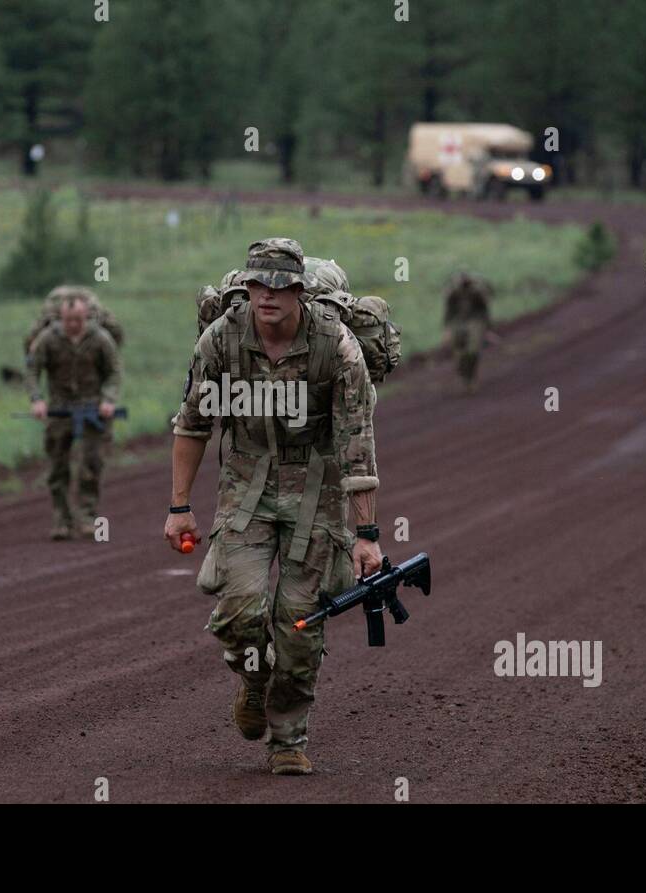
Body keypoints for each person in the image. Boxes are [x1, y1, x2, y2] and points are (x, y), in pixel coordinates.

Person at [165, 238, 382, 776]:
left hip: (318, 491)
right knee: (242, 609)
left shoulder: (336, 346)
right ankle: (255, 682)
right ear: (247, 287)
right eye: (258, 284)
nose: (268, 295)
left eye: (281, 285)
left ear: (301, 291)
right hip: (245, 491)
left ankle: (287, 739)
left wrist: (367, 533)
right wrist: (179, 506)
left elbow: (358, 441)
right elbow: (193, 424)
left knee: (300, 623)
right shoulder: (222, 340)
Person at [25, 290, 122, 539]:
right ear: (61, 317)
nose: (73, 324)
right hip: (60, 408)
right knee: (58, 466)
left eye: (78, 319)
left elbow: (113, 372)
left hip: (93, 408)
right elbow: (33, 370)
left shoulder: (100, 339)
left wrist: (109, 399)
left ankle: (88, 516)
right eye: (69, 319)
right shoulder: (48, 339)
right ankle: (62, 519)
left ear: (86, 316)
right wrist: (36, 400)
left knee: (91, 463)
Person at [443, 272, 494, 388]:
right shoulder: (453, 294)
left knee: (472, 351)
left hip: (474, 321)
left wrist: (487, 328)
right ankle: (465, 377)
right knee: (460, 353)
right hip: (458, 322)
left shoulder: (476, 294)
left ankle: (470, 377)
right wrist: (447, 330)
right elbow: (449, 313)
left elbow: (484, 311)